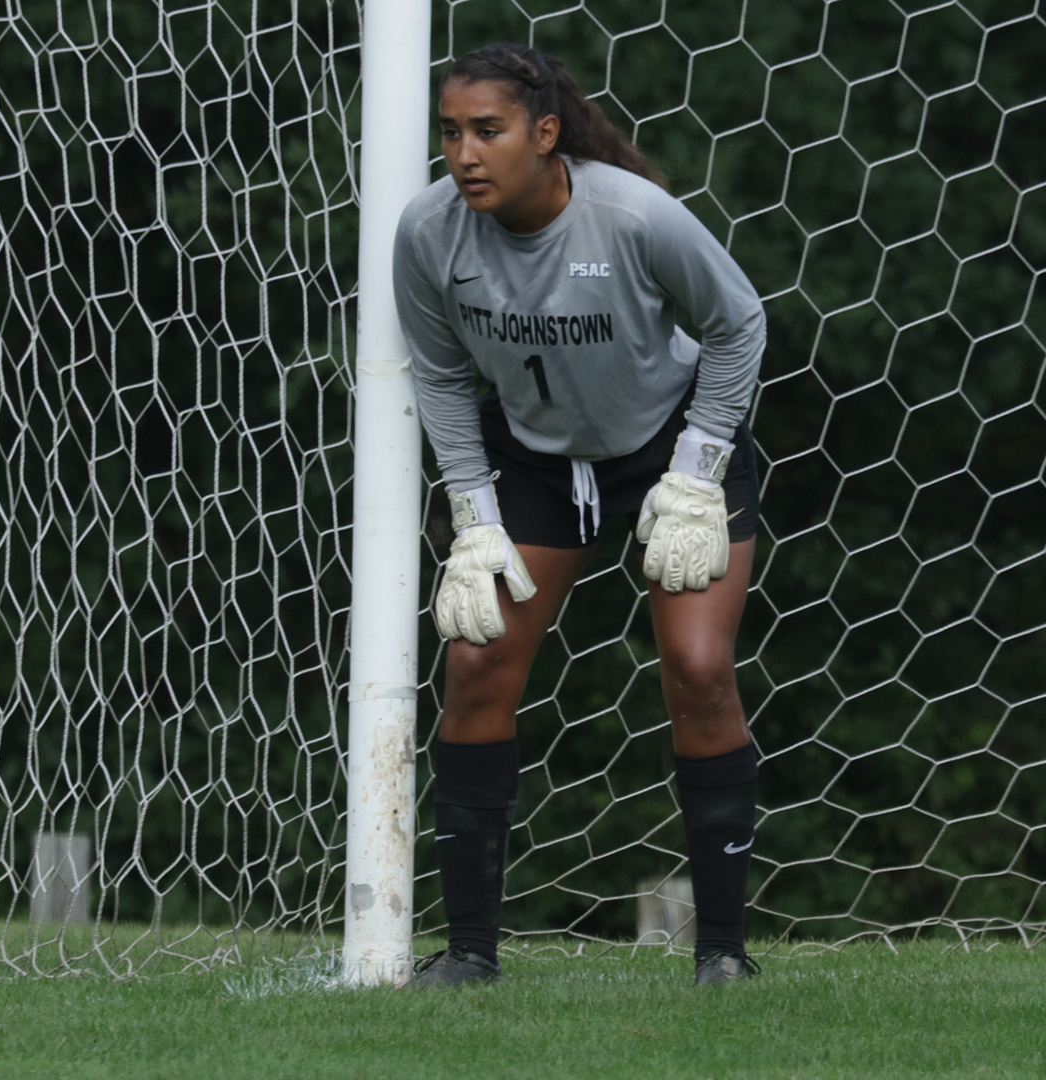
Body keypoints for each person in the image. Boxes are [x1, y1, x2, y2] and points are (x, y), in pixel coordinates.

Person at [393, 42, 767, 988]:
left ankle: (722, 953)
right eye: (451, 133)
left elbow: (739, 324)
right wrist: (472, 515)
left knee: (697, 666)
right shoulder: (428, 233)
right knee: (474, 664)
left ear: (545, 133)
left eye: (489, 130)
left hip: (672, 446)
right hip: (532, 458)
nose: (465, 154)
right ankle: (471, 954)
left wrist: (696, 470)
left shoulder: (633, 214)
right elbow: (439, 376)